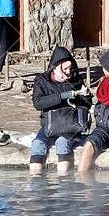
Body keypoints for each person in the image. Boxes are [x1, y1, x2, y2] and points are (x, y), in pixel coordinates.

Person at [29, 45, 89, 175]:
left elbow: (87, 104)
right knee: (37, 145)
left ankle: (64, 182)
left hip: (69, 124)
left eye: (70, 68)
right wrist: (63, 96)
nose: (68, 72)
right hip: (50, 124)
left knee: (62, 143)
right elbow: (38, 103)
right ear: (55, 67)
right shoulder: (42, 80)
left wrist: (84, 96)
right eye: (65, 69)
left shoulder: (76, 79)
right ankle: (36, 182)